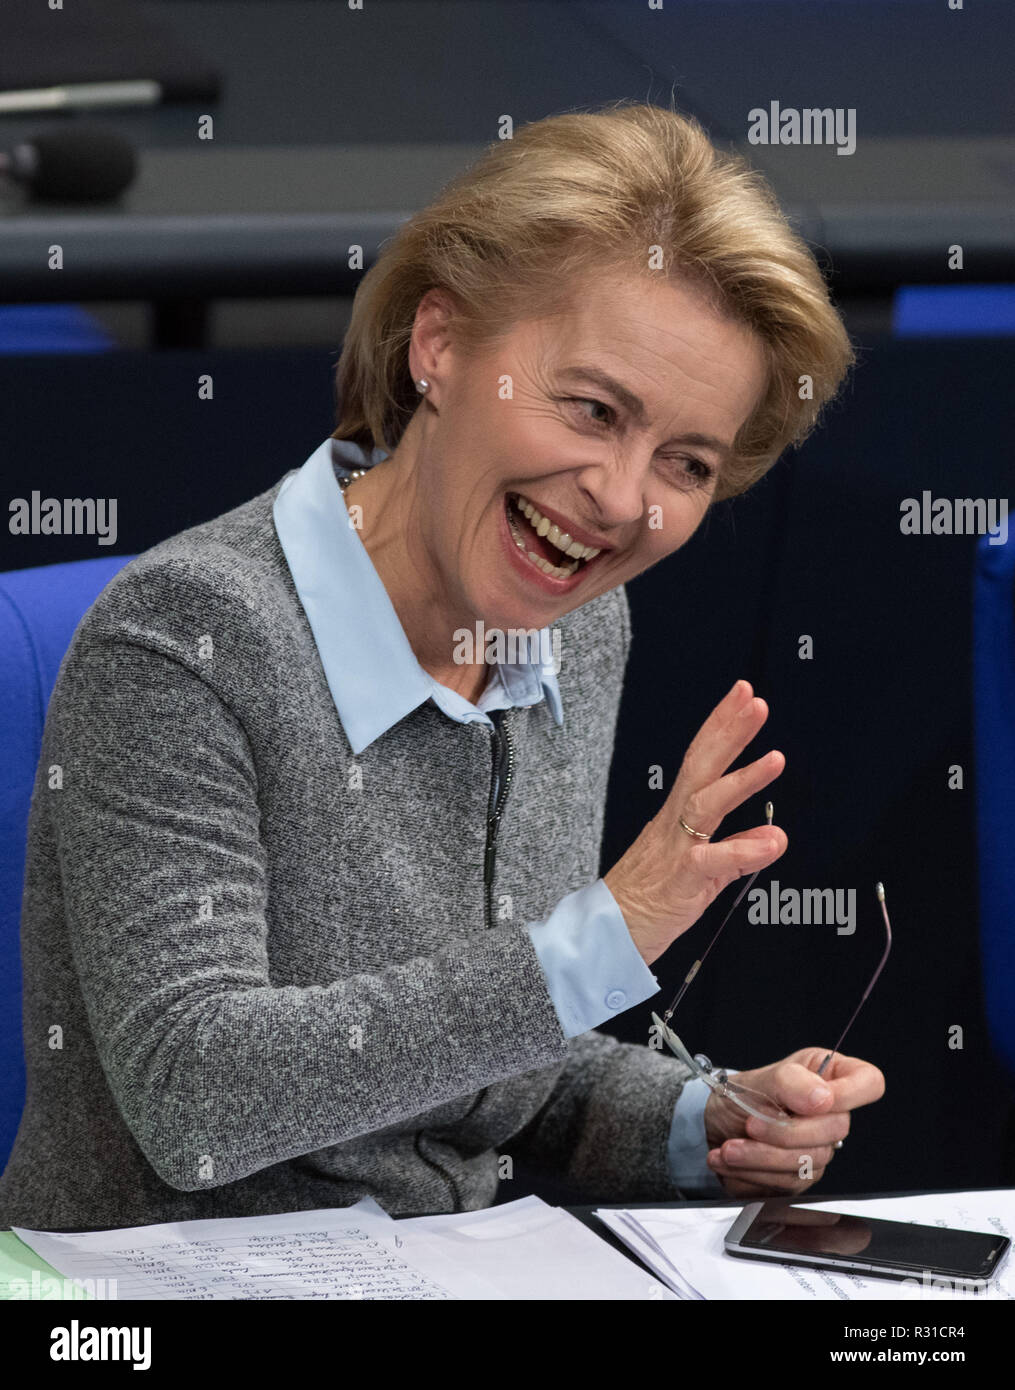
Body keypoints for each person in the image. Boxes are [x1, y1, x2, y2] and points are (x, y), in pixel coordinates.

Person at [0, 101, 883, 1232]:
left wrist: (698, 1117)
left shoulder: (574, 628)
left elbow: (482, 1070)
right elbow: (197, 1100)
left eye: (686, 461)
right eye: (591, 408)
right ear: (441, 344)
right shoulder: (186, 639)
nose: (619, 500)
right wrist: (597, 942)